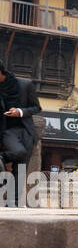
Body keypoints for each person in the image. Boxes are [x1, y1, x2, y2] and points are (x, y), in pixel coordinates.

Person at [1, 60, 41, 202]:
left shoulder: (25, 84)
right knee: (19, 152)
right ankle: (2, 157)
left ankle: (14, 202)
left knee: (21, 168)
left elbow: (37, 108)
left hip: (25, 130)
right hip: (6, 130)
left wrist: (20, 111)